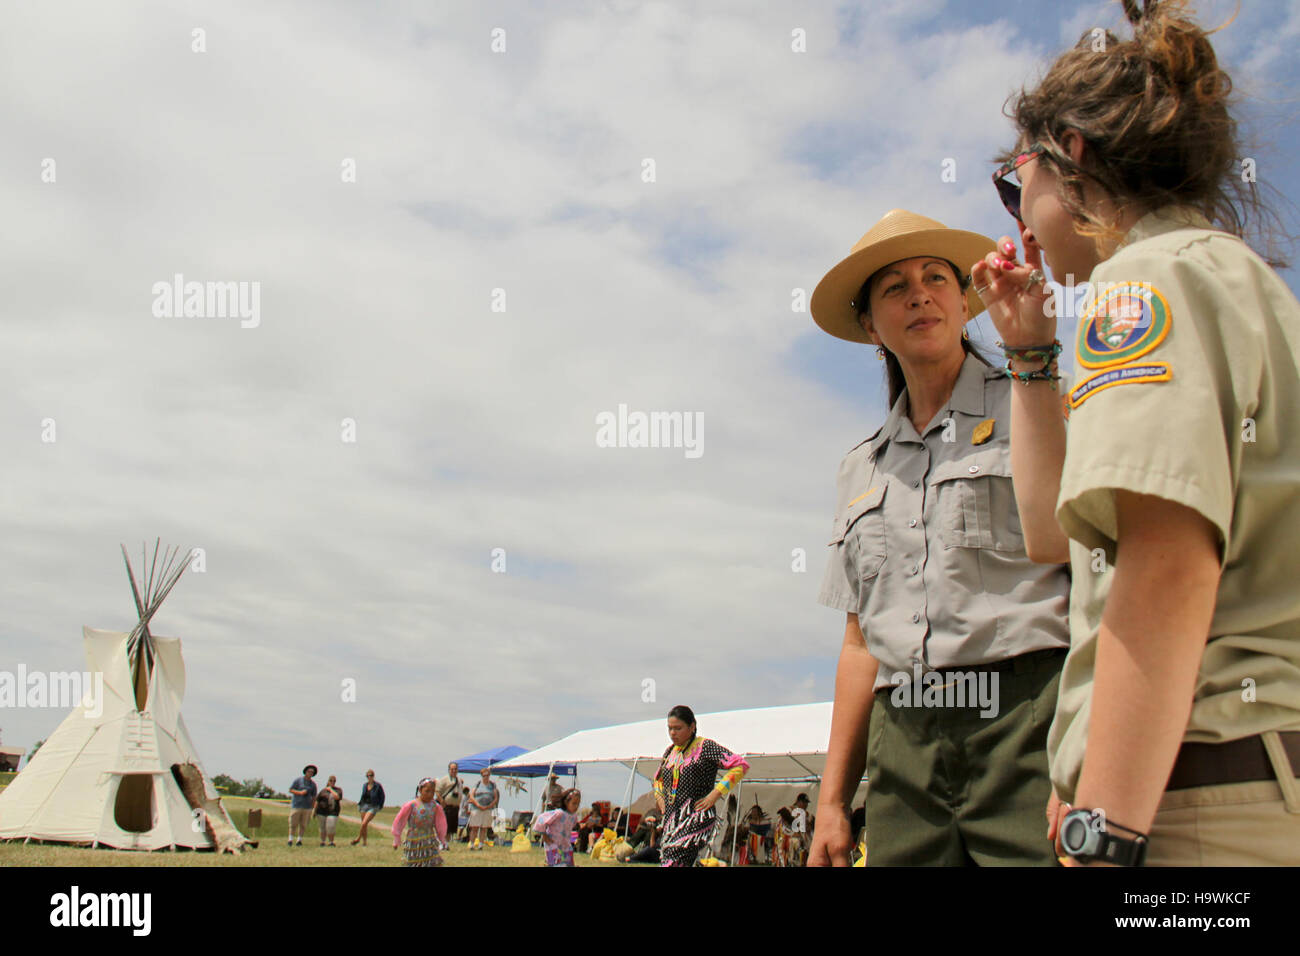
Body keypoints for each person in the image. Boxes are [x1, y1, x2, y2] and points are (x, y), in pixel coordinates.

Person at [977, 0, 1300, 866]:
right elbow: (1052, 533)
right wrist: (1032, 354)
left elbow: (1166, 564)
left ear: (1070, 154)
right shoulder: (1223, 280)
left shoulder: (1143, 287)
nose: (1019, 217)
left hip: (1199, 798)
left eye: (1018, 184)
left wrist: (1103, 823)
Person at [808, 208, 1072, 866]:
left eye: (935, 278)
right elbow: (860, 641)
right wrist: (833, 802)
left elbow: (1099, 575)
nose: (919, 293)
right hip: (904, 741)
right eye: (894, 287)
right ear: (871, 325)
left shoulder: (1038, 406)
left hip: (1030, 718)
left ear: (964, 300)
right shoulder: (860, 468)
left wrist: (1088, 746)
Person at [652, 705, 748, 867]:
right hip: (672, 820)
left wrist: (715, 794)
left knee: (675, 857)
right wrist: (659, 796)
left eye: (678, 728)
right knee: (673, 859)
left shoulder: (705, 747)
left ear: (692, 727)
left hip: (697, 816)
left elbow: (740, 765)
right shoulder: (670, 752)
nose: (672, 733)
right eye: (670, 729)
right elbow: (657, 780)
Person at [391, 778, 447, 867]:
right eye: (427, 791)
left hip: (429, 840)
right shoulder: (411, 805)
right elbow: (400, 820)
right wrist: (397, 838)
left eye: (432, 792)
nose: (430, 794)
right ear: (420, 790)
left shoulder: (435, 807)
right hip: (414, 840)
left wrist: (442, 839)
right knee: (415, 863)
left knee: (432, 863)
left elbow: (440, 824)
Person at [531, 788, 582, 867]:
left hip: (565, 845)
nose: (576, 806)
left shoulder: (574, 816)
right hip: (553, 844)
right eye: (574, 803)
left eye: (578, 804)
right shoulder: (559, 813)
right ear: (566, 802)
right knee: (558, 864)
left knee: (568, 864)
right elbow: (541, 819)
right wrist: (544, 835)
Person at [467, 767, 499, 850]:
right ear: (482, 776)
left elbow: (495, 798)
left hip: (488, 809)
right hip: (476, 808)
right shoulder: (477, 783)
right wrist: (477, 804)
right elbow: (471, 795)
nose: (486, 777)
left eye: (488, 775)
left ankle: (481, 845)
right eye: (484, 775)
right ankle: (472, 844)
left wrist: (489, 806)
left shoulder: (492, 785)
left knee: (484, 828)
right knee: (475, 827)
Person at [287, 764, 317, 847]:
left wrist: (313, 807)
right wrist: (300, 793)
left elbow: (314, 797)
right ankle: (290, 839)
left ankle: (299, 840)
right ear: (305, 772)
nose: (310, 773)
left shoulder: (313, 784)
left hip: (307, 807)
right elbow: (290, 790)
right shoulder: (298, 780)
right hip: (296, 805)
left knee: (303, 824)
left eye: (312, 772)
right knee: (293, 824)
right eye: (309, 771)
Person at [352, 770, 384, 846]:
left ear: (373, 776)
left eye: (371, 775)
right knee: (364, 825)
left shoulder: (378, 786)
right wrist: (359, 804)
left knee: (364, 823)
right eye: (368, 776)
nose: (369, 777)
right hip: (364, 806)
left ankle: (358, 838)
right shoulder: (365, 785)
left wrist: (380, 806)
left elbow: (382, 796)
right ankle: (364, 842)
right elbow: (363, 795)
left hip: (373, 806)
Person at [434, 762, 462, 844]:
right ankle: (442, 843)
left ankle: (446, 844)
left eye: (455, 769)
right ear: (449, 770)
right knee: (444, 827)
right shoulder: (444, 779)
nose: (454, 770)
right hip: (447, 807)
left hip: (455, 807)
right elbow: (437, 791)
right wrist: (442, 801)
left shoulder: (459, 780)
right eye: (452, 769)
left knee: (451, 829)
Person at [314, 775, 343, 846]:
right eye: (331, 780)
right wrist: (314, 811)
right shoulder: (323, 791)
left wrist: (330, 790)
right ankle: (323, 842)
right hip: (321, 811)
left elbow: (337, 797)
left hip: (333, 812)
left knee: (331, 827)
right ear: (328, 781)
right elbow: (317, 801)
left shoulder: (338, 790)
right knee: (322, 827)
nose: (332, 782)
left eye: (334, 781)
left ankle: (331, 842)